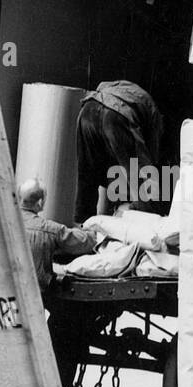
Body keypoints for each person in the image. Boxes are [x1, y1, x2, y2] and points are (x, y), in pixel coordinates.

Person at [74, 80, 164, 223]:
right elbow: (147, 164)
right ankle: (145, 223)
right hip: (116, 113)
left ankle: (82, 224)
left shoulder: (133, 94)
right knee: (142, 177)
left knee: (87, 172)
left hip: (88, 109)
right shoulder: (155, 118)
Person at [19, 178, 96, 296]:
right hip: (37, 293)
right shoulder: (50, 229)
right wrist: (92, 231)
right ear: (40, 203)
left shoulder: (3, 222)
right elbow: (84, 242)